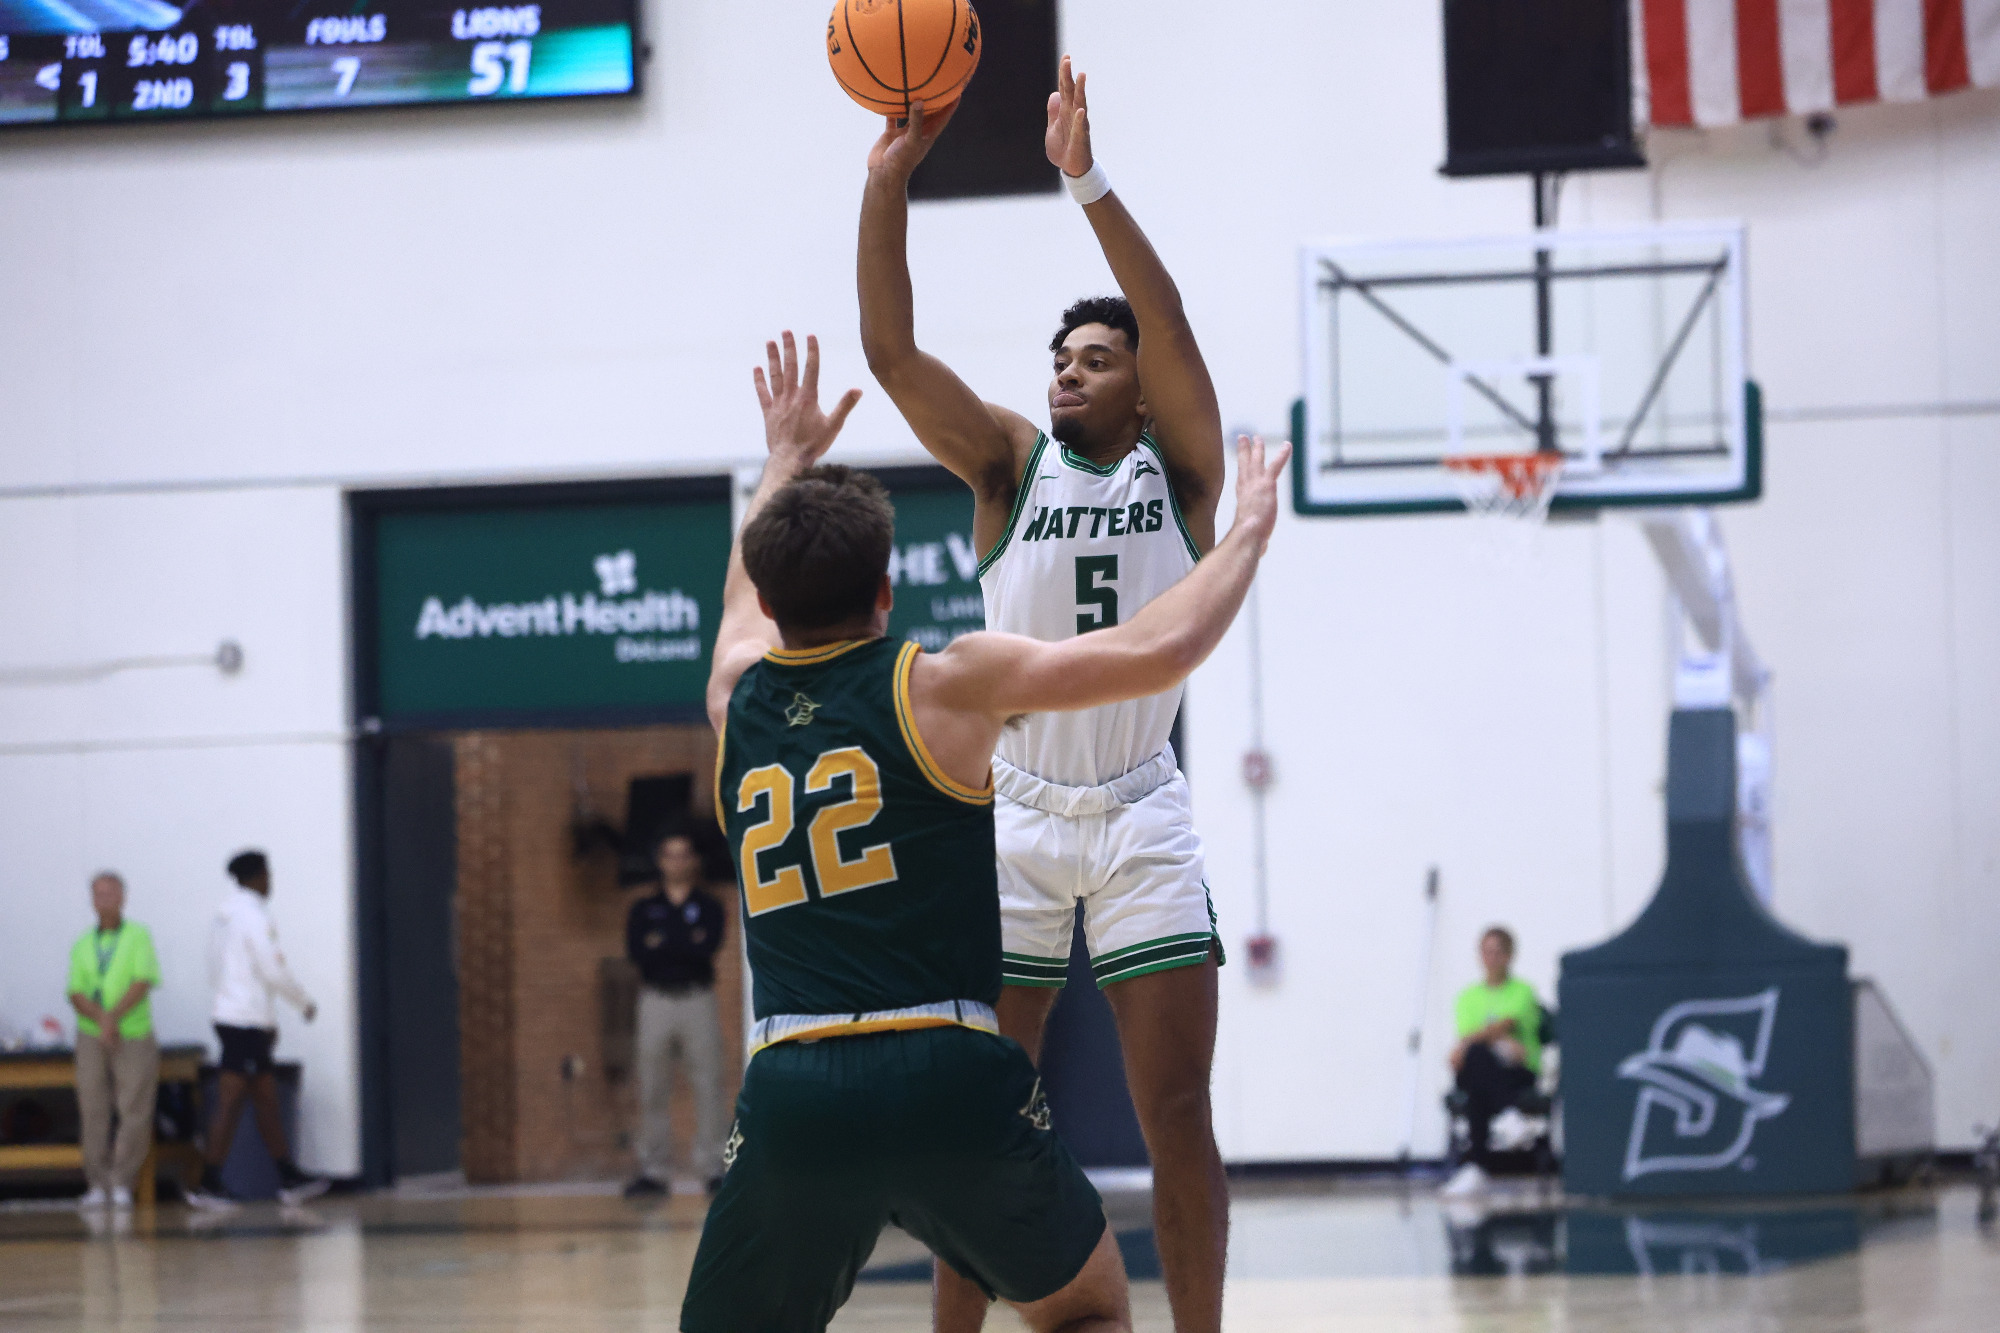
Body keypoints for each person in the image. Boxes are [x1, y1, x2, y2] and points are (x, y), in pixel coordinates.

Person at [678, 332, 1286, 1333]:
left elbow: (743, 601)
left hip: (791, 1079)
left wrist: (782, 458)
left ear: (774, 601)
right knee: (1087, 1310)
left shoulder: (734, 694)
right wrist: (1247, 532)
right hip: (945, 1075)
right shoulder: (941, 686)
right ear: (885, 593)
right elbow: (1162, 643)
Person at [857, 57, 1234, 1333]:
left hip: (1138, 811)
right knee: (982, 1114)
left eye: (1093, 357)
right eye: (1060, 357)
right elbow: (891, 349)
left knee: (1174, 1111)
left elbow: (1169, 318)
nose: (1067, 372)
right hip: (1011, 809)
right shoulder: (1007, 462)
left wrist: (1087, 181)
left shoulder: (1181, 474)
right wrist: (886, 186)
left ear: (1135, 381)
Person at [185, 850, 330, 1209]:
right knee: (232, 1099)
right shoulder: (253, 916)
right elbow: (271, 969)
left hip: (235, 1016)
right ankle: (209, 1182)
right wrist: (303, 1002)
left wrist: (264, 1017)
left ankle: (287, 1176)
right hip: (243, 1021)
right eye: (268, 874)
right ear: (257, 876)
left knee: (264, 1097)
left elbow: (214, 968)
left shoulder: (222, 916)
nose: (271, 881)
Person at [623, 827, 729, 1199]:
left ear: (694, 861)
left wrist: (666, 942)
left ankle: (714, 1168)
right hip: (655, 1000)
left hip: (697, 998)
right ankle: (654, 1170)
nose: (677, 862)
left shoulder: (710, 905)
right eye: (670, 854)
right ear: (660, 862)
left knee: (709, 1084)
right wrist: (684, 941)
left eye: (684, 854)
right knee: (651, 1085)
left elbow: (707, 948)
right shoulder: (643, 908)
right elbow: (639, 952)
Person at [66, 872, 163, 1209]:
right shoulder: (82, 943)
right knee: (93, 1107)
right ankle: (96, 1183)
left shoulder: (138, 936)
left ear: (123, 897)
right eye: (97, 894)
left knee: (133, 1106)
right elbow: (75, 991)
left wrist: (114, 1017)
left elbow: (142, 980)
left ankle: (122, 1181)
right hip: (92, 1033)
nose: (103, 899)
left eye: (109, 893)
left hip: (132, 1032)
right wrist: (101, 1019)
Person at [1443, 926, 1545, 1198]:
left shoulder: (1523, 991)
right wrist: (1486, 1040)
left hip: (1516, 1071)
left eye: (1498, 951)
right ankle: (1511, 1116)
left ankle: (1476, 1168)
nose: (1491, 957)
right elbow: (1476, 1035)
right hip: (1486, 1068)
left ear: (1510, 955)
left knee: (1478, 1075)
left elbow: (1505, 1024)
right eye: (1486, 951)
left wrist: (1472, 1042)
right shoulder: (1468, 996)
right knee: (1478, 1062)